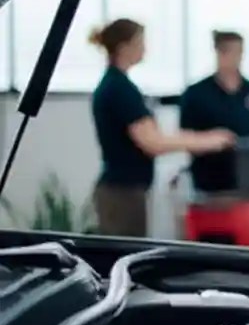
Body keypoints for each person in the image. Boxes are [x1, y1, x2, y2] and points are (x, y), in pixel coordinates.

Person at [88, 19, 236, 237]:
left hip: (130, 189)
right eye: (140, 42)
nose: (145, 48)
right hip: (121, 192)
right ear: (124, 47)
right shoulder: (119, 88)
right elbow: (153, 143)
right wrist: (208, 141)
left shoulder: (121, 85)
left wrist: (205, 138)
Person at [179, 30, 249, 193]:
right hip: (211, 179)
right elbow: (185, 137)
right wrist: (212, 140)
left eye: (238, 52)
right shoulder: (196, 94)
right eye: (228, 51)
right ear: (218, 52)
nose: (235, 57)